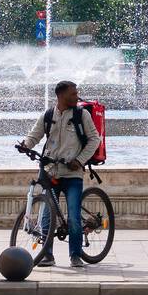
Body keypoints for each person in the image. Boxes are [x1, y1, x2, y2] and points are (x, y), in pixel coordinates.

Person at [18, 80, 102, 268]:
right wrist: (25, 145)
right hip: (51, 171)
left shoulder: (82, 115)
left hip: (72, 174)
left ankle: (75, 255)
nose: (77, 96)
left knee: (73, 216)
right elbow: (35, 135)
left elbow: (94, 139)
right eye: (73, 94)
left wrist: (79, 160)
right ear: (61, 95)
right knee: (47, 214)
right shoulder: (48, 115)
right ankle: (47, 255)